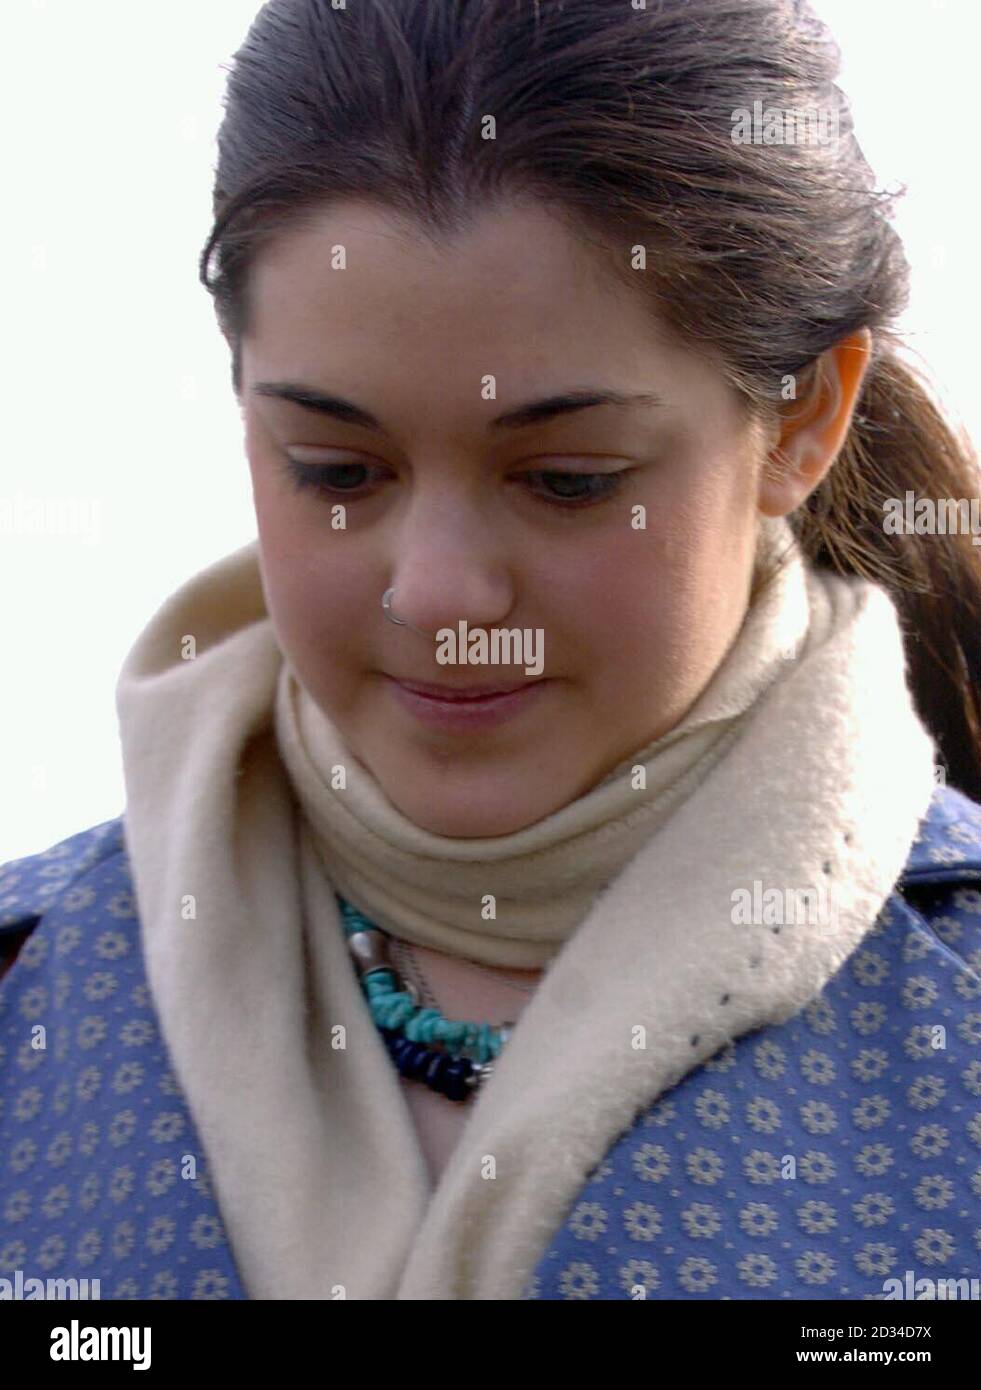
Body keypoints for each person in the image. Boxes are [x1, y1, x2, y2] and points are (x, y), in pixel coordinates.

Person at [2, 0, 980, 1303]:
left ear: (802, 419)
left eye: (567, 480)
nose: (440, 591)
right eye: (336, 470)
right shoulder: (27, 988)